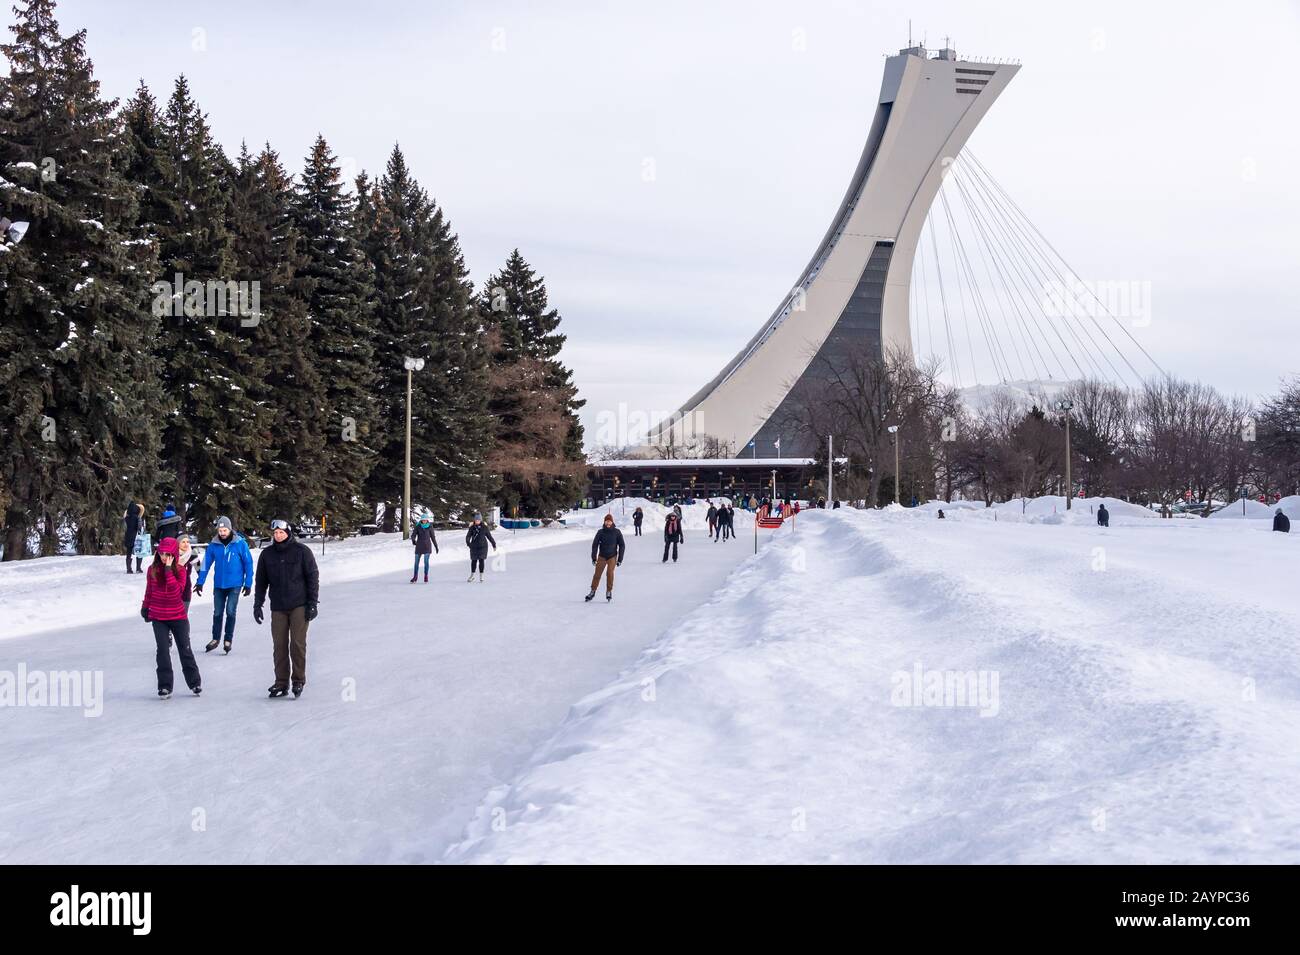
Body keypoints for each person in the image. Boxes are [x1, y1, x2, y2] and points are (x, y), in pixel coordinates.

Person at [253, 519, 319, 699]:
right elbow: (261, 582)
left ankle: (298, 680)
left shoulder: (302, 552)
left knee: (297, 643)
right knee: (279, 645)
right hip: (278, 606)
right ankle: (281, 682)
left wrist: (312, 603)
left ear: (288, 533)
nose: (278, 535)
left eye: (281, 532)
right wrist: (258, 604)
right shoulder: (267, 555)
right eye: (275, 533)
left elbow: (312, 577)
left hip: (299, 604)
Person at [140, 537, 201, 699]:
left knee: (185, 649)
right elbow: (149, 591)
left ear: (174, 554)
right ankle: (165, 686)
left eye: (168, 554)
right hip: (159, 616)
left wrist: (168, 570)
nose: (164, 557)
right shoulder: (151, 570)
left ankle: (194, 682)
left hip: (178, 616)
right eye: (161, 554)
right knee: (163, 651)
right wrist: (145, 607)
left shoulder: (180, 570)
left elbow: (176, 593)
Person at [194, 516, 253, 653]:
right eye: (220, 530)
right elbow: (205, 564)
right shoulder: (214, 544)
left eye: (225, 529)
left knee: (230, 612)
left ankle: (228, 639)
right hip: (219, 585)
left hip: (235, 584)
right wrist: (200, 582)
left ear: (230, 529)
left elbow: (248, 563)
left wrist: (248, 583)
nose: (222, 533)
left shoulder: (240, 543)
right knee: (217, 613)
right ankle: (215, 639)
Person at [586, 514, 625, 602]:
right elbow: (595, 545)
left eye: (609, 521)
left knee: (610, 573)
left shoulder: (617, 532)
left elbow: (622, 545)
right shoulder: (600, 532)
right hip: (602, 556)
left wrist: (620, 559)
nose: (608, 523)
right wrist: (593, 558)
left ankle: (609, 591)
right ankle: (592, 591)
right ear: (604, 522)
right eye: (606, 521)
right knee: (597, 574)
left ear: (612, 522)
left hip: (612, 556)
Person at [465, 512, 496, 582]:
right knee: (474, 561)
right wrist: (468, 543)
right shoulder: (472, 527)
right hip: (474, 547)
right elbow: (468, 536)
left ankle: (481, 576)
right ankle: (472, 575)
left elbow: (489, 537)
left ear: (481, 520)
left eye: (478, 520)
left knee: (481, 560)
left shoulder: (484, 527)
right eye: (476, 520)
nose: (477, 521)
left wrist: (494, 544)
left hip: (483, 547)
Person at [411, 512, 439, 583]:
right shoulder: (418, 526)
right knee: (416, 562)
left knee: (426, 562)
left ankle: (426, 575)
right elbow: (413, 534)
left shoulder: (430, 526)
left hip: (427, 547)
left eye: (425, 520)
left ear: (427, 520)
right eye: (423, 520)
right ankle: (415, 577)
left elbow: (433, 537)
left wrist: (436, 546)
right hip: (419, 546)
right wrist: (413, 540)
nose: (424, 521)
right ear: (421, 520)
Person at [123, 500, 144, 574]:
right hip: (136, 537)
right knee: (139, 552)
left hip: (128, 536)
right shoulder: (137, 518)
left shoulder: (126, 518)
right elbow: (139, 528)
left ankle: (129, 569)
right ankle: (138, 568)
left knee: (129, 552)